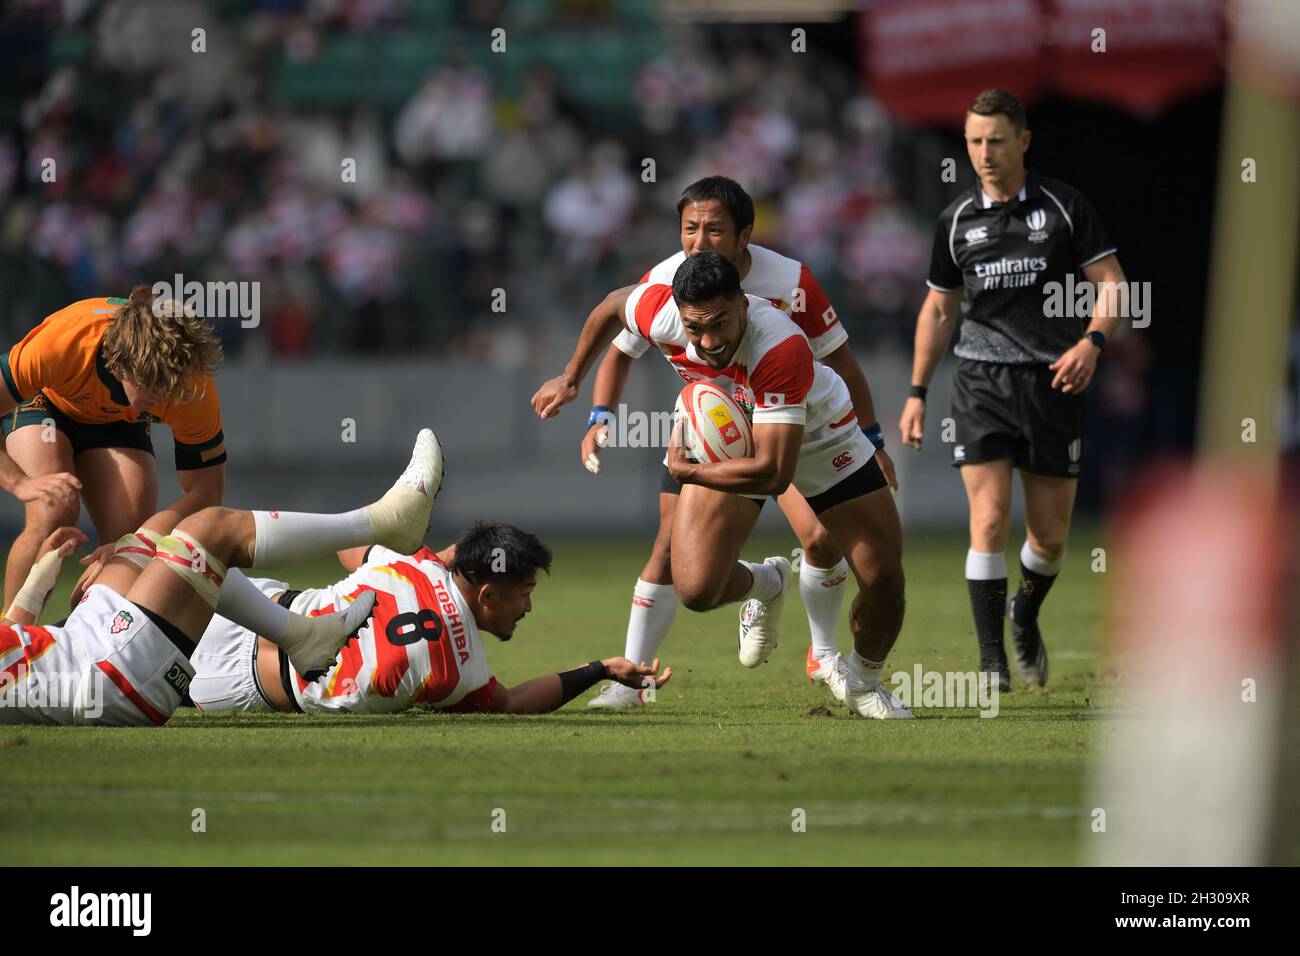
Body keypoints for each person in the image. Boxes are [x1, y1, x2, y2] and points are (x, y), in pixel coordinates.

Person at [565, 176, 896, 710]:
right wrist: (596, 409)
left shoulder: (791, 283)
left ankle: (826, 654)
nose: (698, 241)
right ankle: (634, 683)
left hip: (788, 425)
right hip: (711, 427)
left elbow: (842, 362)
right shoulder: (668, 283)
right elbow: (618, 333)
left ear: (745, 234)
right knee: (675, 559)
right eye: (689, 228)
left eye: (713, 229)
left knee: (819, 538)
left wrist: (874, 439)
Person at [897, 89, 1128, 688]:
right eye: (974, 141)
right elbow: (939, 311)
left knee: (1048, 540)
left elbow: (1113, 285)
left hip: (1054, 382)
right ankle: (992, 661)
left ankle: (1025, 610)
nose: (984, 152)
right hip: (981, 384)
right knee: (990, 518)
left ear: (1023, 142)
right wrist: (918, 391)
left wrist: (1092, 342)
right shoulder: (955, 220)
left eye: (996, 140)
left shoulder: (1063, 207)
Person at [0, 430, 444, 726]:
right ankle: (386, 521)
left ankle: (303, 637)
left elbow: (12, 648)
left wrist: (37, 584)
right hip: (110, 676)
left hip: (84, 643)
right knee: (207, 531)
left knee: (148, 537)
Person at [184, 521, 670, 715]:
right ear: (485, 593)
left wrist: (426, 558)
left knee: (150, 572)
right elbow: (511, 703)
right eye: (524, 593)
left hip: (253, 602)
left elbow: (346, 543)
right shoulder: (462, 672)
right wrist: (599, 669)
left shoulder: (411, 565)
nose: (529, 608)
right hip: (238, 681)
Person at [0, 285, 227, 608]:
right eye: (151, 382)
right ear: (119, 363)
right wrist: (19, 483)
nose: (163, 395)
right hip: (48, 404)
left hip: (119, 422)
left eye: (169, 384)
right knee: (55, 509)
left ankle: (88, 637)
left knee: (128, 548)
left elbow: (206, 493)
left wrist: (141, 540)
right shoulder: (65, 343)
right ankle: (8, 641)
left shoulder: (190, 385)